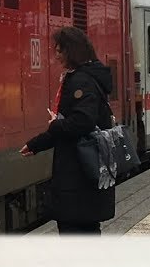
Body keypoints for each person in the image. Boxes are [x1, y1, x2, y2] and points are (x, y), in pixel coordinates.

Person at [19, 26, 115, 235]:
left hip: (78, 175)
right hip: (84, 173)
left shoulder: (81, 80)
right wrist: (37, 144)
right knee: (86, 232)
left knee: (75, 232)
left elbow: (82, 121)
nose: (56, 56)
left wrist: (55, 124)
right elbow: (70, 124)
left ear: (72, 51)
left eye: (59, 51)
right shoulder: (90, 76)